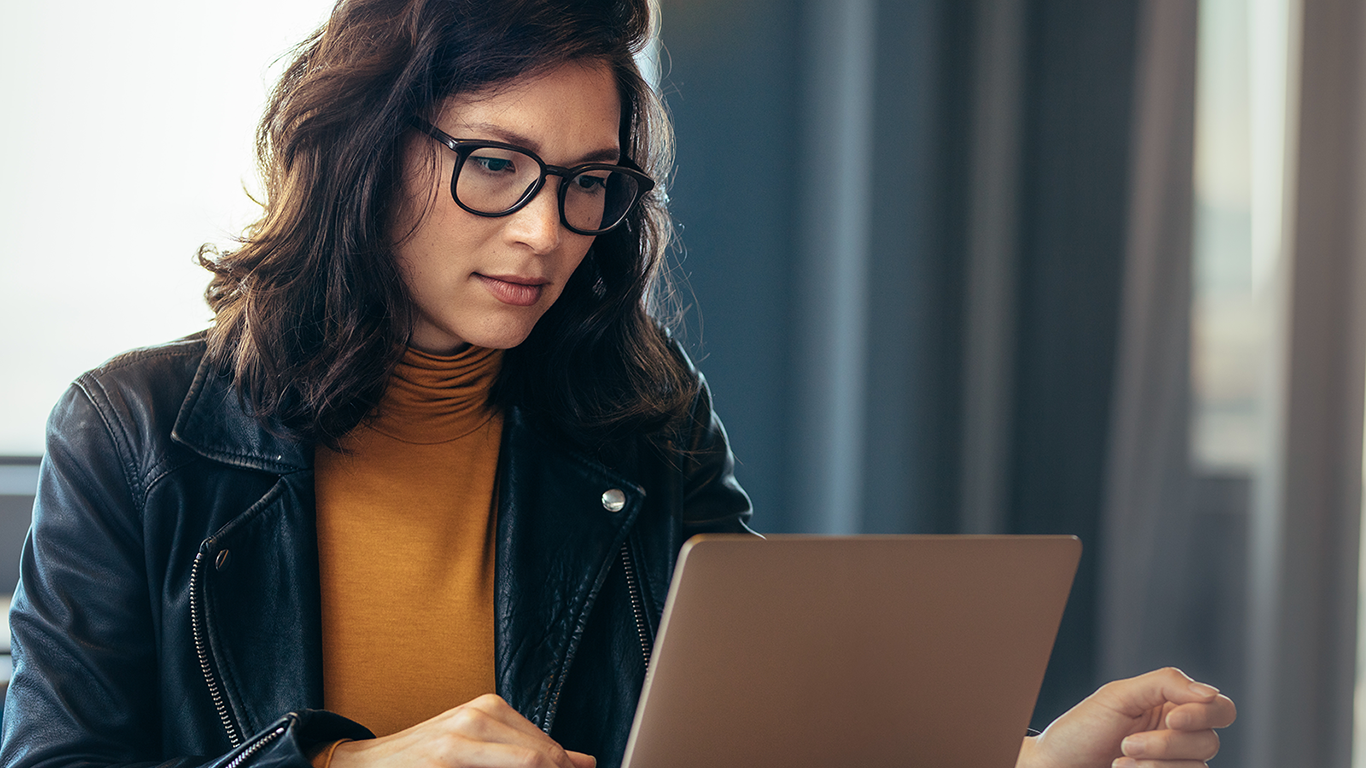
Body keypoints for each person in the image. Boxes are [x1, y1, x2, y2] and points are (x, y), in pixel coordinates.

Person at [0, 1, 1235, 767]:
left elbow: (763, 736)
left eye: (589, 181)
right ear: (362, 154)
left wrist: (1014, 764)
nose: (548, 230)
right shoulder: (137, 432)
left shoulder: (638, 410)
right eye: (496, 165)